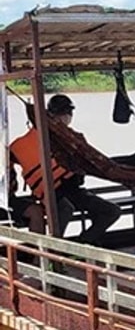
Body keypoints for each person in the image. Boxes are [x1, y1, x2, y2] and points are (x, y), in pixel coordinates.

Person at [10, 95, 121, 242]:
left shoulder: (74, 140)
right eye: (60, 114)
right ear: (49, 116)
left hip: (73, 191)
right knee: (65, 209)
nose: (64, 118)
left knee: (112, 211)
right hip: (50, 195)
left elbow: (91, 163)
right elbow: (6, 163)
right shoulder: (22, 144)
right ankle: (53, 250)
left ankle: (80, 246)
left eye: (67, 114)